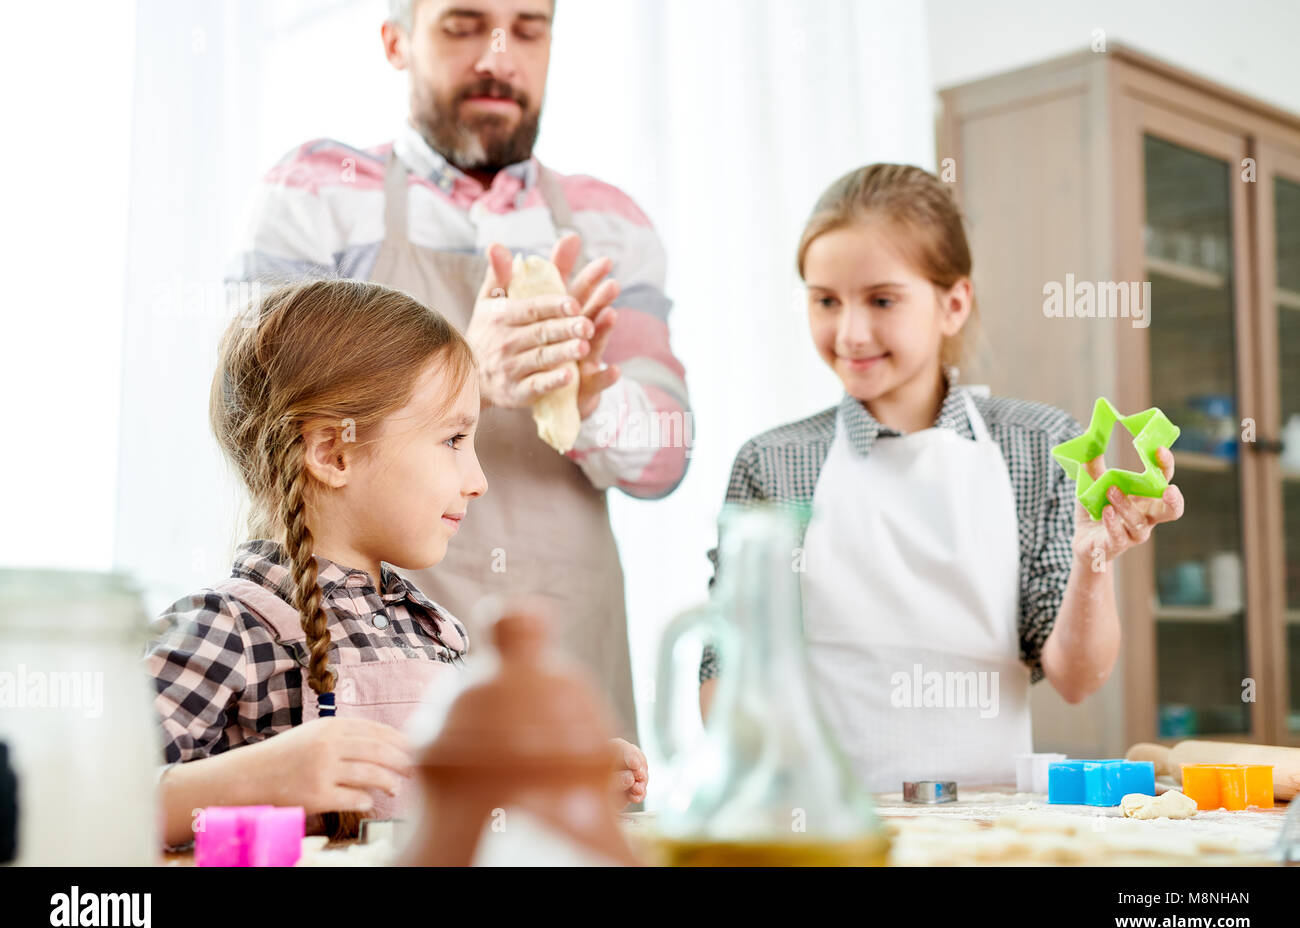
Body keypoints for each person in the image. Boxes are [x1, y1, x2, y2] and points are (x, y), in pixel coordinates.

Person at [228, 0, 691, 745]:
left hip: (567, 646)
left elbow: (668, 456)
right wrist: (467, 372)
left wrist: (578, 398)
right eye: (463, 24)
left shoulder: (613, 223)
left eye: (528, 29)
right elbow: (257, 415)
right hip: (356, 648)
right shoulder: (315, 192)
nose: (498, 57)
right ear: (396, 42)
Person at [698, 164, 1185, 791]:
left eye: (881, 300)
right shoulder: (773, 461)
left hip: (994, 830)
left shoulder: (1039, 444)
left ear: (953, 304)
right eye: (825, 300)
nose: (849, 332)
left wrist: (1093, 562)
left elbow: (1076, 677)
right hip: (827, 828)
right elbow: (731, 667)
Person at [147, 280, 647, 849]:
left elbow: (457, 817)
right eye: (454, 439)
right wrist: (255, 779)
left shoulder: (432, 630)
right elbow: (97, 802)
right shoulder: (226, 628)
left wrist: (546, 780)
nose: (478, 481)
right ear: (334, 453)